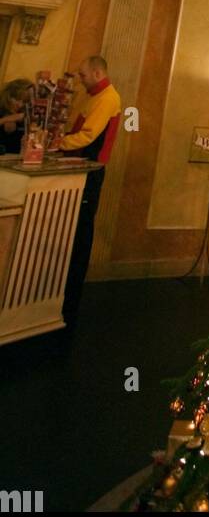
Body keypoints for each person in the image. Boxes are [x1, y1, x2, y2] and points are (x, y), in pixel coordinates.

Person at [58, 56, 121, 329]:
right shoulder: (94, 96)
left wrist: (56, 143)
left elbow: (88, 135)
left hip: (91, 171)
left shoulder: (107, 98)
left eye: (83, 75)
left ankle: (71, 295)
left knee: (82, 231)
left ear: (97, 73)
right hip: (82, 168)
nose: (80, 79)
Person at [0, 77, 30, 155]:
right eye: (17, 99)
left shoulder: (26, 116)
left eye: (24, 102)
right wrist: (5, 119)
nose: (20, 105)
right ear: (8, 95)